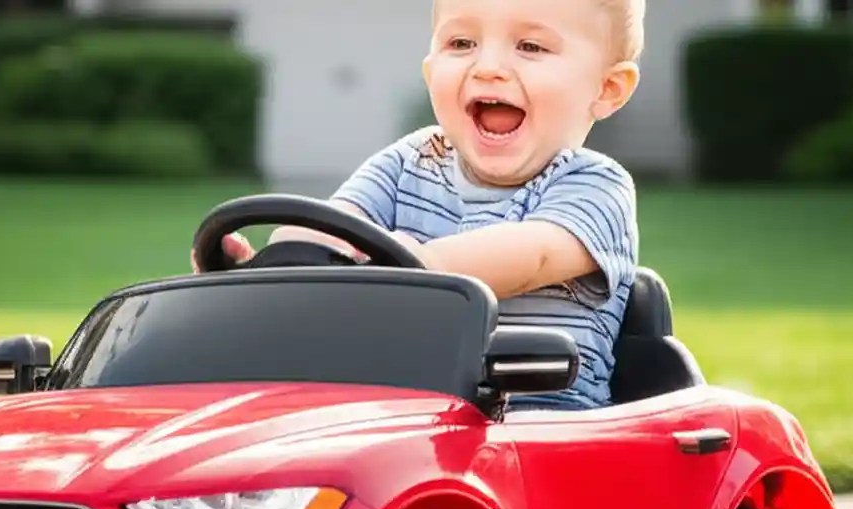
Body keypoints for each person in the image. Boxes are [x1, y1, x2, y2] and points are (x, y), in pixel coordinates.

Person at [198, 0, 646, 411]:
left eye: (530, 46)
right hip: (405, 420)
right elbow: (332, 229)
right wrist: (266, 271)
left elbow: (535, 254)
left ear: (607, 88)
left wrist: (415, 263)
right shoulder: (410, 161)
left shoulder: (594, 185)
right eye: (462, 43)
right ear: (431, 72)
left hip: (543, 434)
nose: (487, 66)